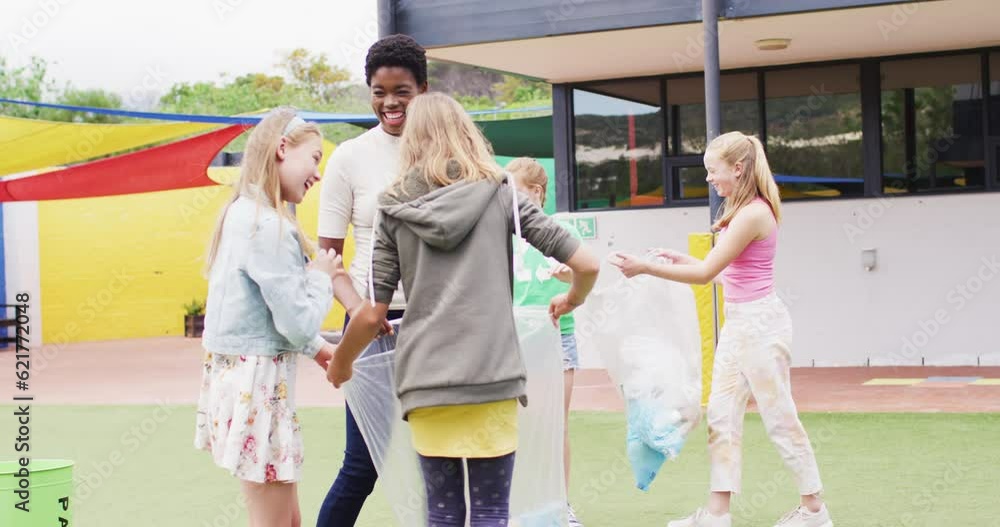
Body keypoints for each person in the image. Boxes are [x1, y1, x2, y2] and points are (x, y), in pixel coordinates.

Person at [326, 92, 601, 527]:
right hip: (493, 376)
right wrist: (571, 299)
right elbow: (587, 264)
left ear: (412, 139)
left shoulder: (392, 208)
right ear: (466, 134)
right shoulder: (503, 195)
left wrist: (341, 364)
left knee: (443, 512)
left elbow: (373, 314)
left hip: (427, 382)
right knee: (491, 511)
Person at [611, 131, 832, 527]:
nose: (709, 178)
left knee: (779, 417)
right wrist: (681, 259)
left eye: (713, 171)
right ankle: (717, 514)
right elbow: (726, 276)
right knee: (720, 417)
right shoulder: (741, 211)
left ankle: (814, 510)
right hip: (740, 324)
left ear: (738, 168)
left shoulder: (753, 214)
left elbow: (705, 274)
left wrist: (645, 267)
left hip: (761, 326)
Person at [195, 108, 361, 527]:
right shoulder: (269, 226)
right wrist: (322, 277)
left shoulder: (242, 213)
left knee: (287, 520)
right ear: (283, 148)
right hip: (259, 390)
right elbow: (298, 322)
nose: (317, 173)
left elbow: (268, 310)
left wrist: (318, 349)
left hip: (244, 384)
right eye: (315, 158)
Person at [315, 34, 428, 526]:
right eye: (379, 92)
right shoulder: (349, 158)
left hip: (435, 323)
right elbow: (327, 257)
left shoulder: (446, 152)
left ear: (423, 90)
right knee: (362, 467)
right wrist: (358, 308)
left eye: (402, 91)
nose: (390, 103)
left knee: (441, 460)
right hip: (370, 326)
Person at [506, 157, 586, 527]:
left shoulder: (559, 231)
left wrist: (568, 275)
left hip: (556, 337)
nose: (508, 202)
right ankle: (516, 505)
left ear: (537, 193)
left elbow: (583, 275)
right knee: (513, 424)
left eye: (515, 193)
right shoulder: (503, 235)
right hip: (514, 340)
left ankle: (560, 505)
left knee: (556, 424)